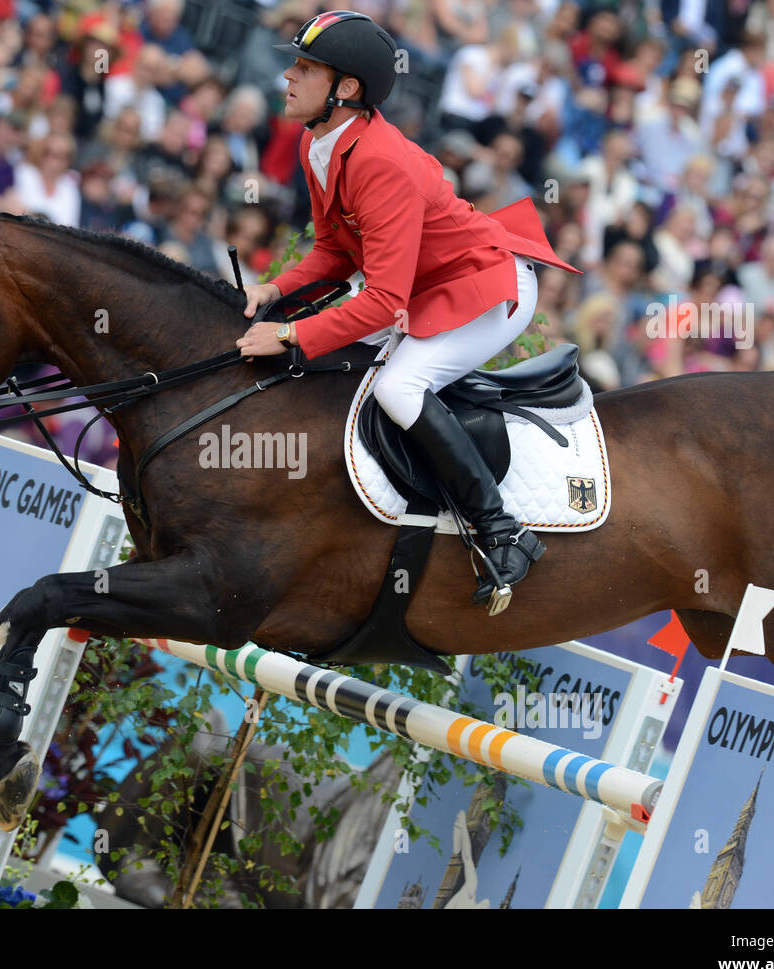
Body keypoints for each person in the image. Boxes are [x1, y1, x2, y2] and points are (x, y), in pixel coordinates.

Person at [236, 10, 580, 612]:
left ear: (345, 89)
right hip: (427, 285)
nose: (286, 76)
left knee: (398, 388)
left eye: (304, 67)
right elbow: (333, 253)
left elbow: (384, 300)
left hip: (486, 288)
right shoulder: (317, 141)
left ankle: (502, 532)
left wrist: (292, 335)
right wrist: (276, 288)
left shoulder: (379, 161)